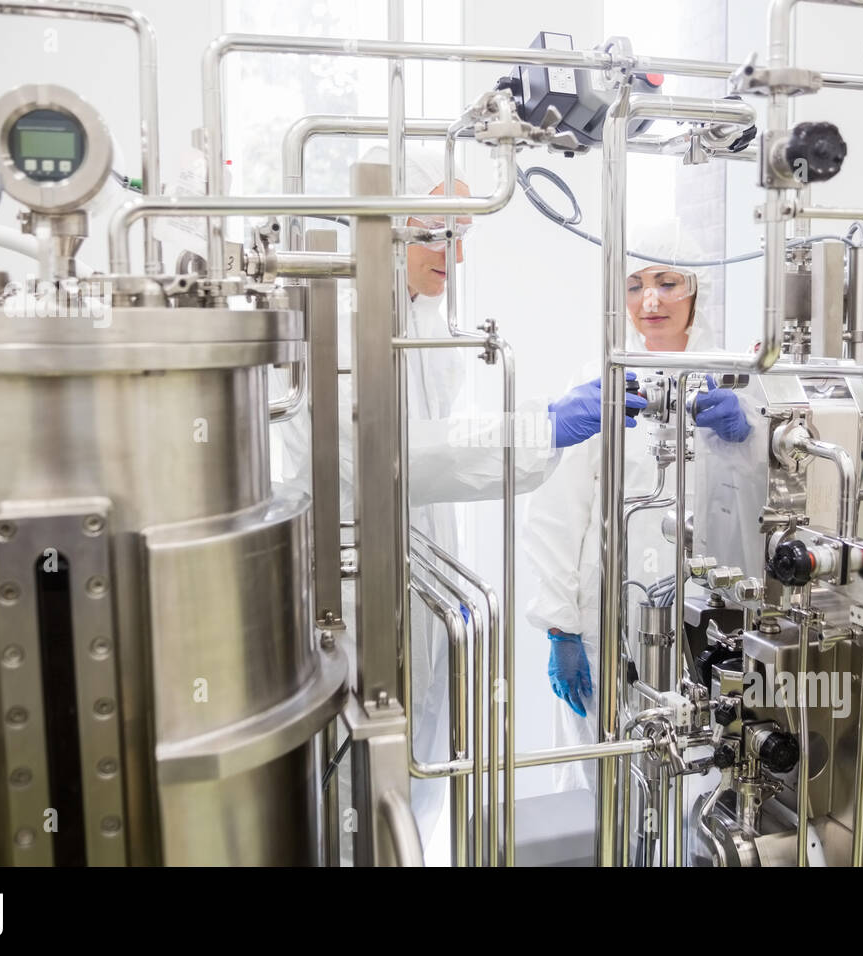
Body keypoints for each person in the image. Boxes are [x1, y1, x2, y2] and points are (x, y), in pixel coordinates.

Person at [273, 144, 645, 854]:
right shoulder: (342, 328)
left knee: (413, 792)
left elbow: (439, 443)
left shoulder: (418, 320)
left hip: (417, 593)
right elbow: (395, 455)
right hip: (350, 601)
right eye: (442, 233)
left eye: (463, 235)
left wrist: (540, 421)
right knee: (355, 803)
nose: (459, 255)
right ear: (390, 227)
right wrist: (542, 426)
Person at [522, 221, 751, 793]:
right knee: (610, 778)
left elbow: (763, 505)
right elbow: (557, 511)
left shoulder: (736, 382)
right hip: (606, 619)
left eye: (666, 282)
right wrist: (561, 627)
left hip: (705, 616)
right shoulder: (598, 381)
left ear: (696, 290)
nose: (649, 300)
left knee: (698, 771)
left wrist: (751, 437)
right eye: (635, 285)